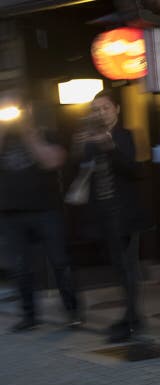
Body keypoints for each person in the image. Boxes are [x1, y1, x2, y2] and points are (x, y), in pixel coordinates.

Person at [0, 95, 80, 332]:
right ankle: (29, 316)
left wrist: (27, 130)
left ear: (29, 109)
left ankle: (73, 312)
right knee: (20, 266)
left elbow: (51, 161)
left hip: (46, 211)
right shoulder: (3, 138)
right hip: (11, 214)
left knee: (59, 261)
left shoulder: (45, 133)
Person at [73, 90, 147, 342]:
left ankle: (132, 321)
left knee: (127, 266)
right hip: (103, 211)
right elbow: (83, 171)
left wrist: (109, 145)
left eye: (104, 107)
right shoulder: (91, 139)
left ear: (116, 109)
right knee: (119, 267)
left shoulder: (126, 135)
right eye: (95, 109)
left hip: (123, 212)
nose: (100, 113)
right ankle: (132, 317)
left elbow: (133, 169)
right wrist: (81, 146)